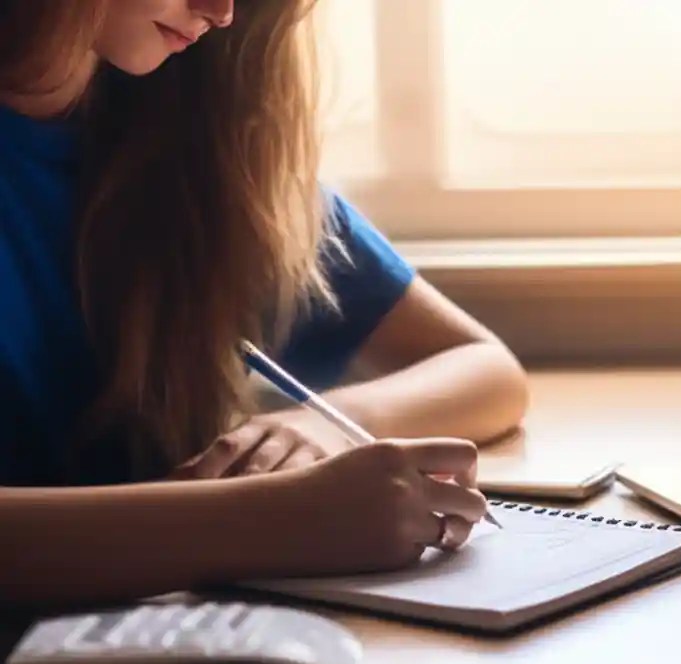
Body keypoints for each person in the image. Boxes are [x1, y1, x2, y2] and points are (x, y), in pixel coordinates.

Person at [0, 1, 529, 610]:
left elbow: (487, 371)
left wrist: (323, 428)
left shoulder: (194, 155)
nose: (223, 11)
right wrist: (269, 522)